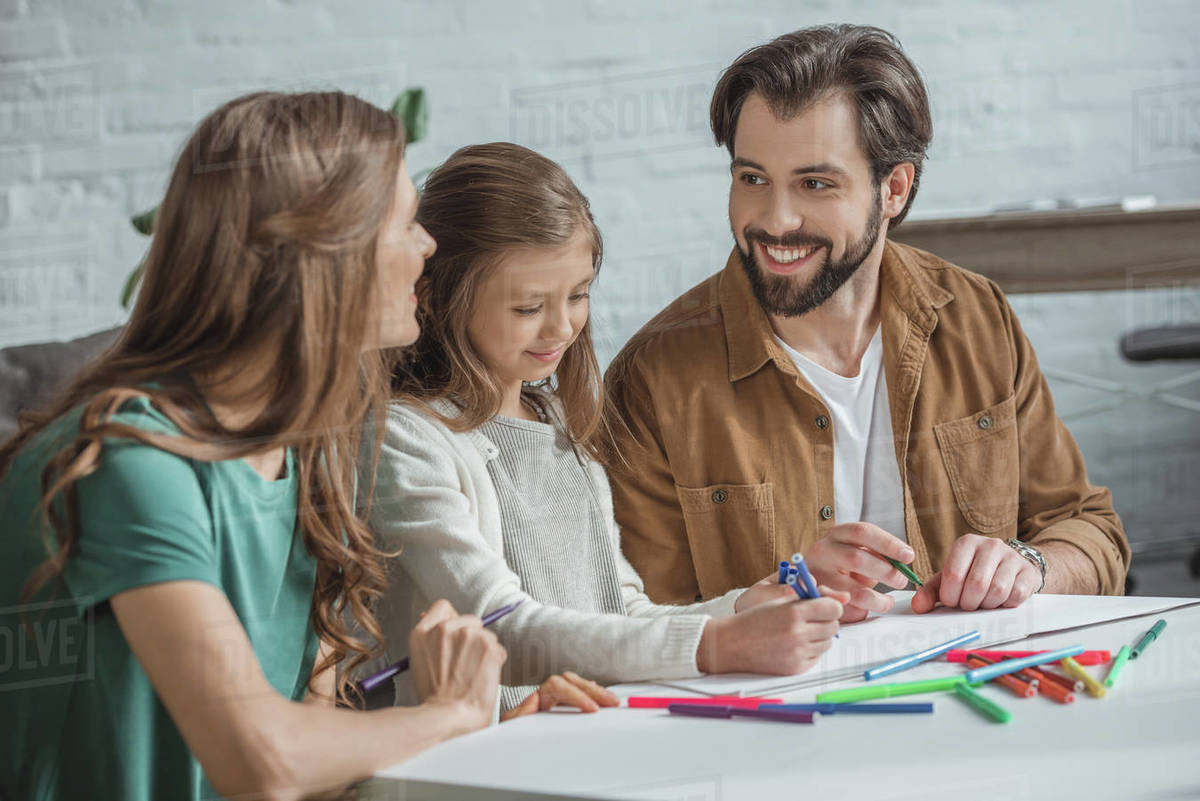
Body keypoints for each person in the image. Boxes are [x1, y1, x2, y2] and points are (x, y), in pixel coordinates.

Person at [0, 91, 508, 801]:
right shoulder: (132, 460)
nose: (427, 246)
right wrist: (447, 714)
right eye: (403, 223)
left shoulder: (304, 452)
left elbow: (311, 747)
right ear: (318, 257)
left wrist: (505, 721)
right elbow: (262, 761)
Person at [604, 25, 1130, 624]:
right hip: (770, 712)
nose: (774, 220)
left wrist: (1029, 566)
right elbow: (629, 628)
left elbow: (1090, 532)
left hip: (976, 698)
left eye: (815, 184)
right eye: (752, 179)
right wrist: (780, 593)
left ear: (894, 190)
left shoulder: (978, 319)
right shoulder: (654, 377)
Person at [362, 142, 847, 716]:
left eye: (578, 295)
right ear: (443, 299)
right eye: (527, 308)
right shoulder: (405, 440)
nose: (561, 326)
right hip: (474, 761)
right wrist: (714, 645)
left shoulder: (560, 425)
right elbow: (500, 625)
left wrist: (744, 608)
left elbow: (621, 618)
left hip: (577, 736)